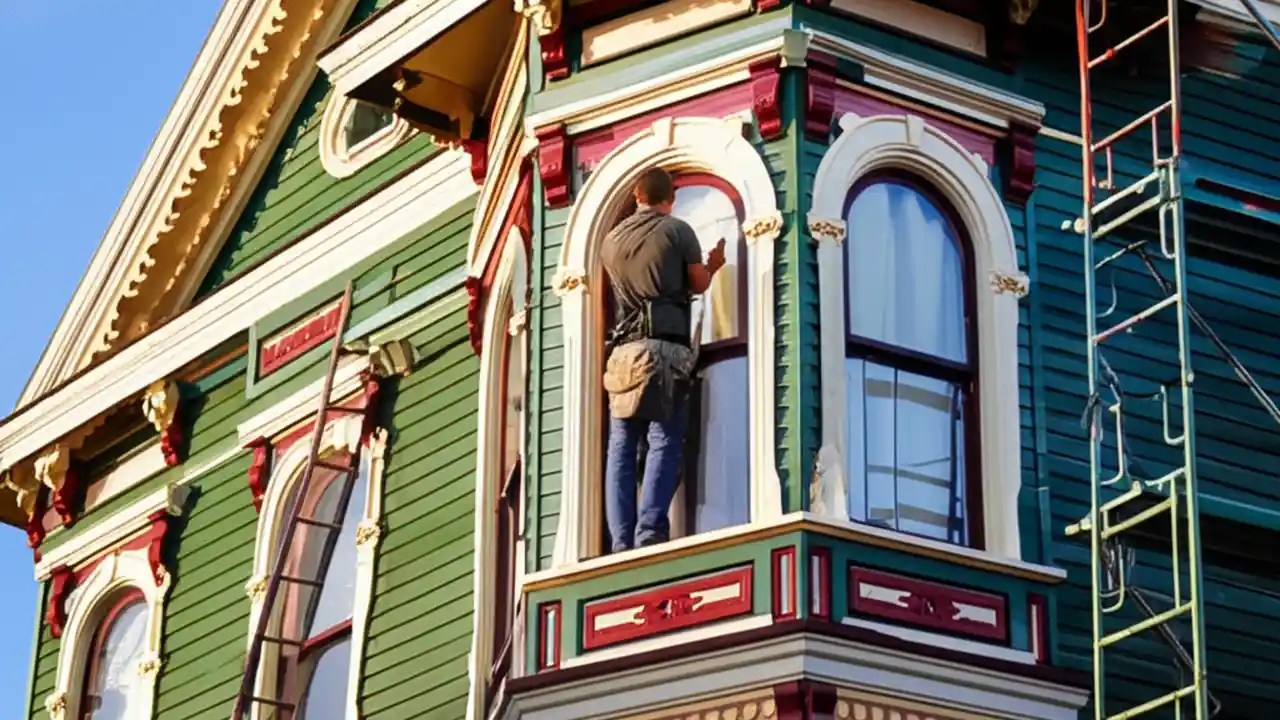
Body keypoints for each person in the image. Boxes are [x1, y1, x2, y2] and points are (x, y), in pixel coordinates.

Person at [600, 166, 726, 553]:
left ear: (637, 196)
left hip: (623, 354)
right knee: (663, 439)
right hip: (664, 350)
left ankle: (621, 541)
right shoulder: (677, 231)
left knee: (621, 446)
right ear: (669, 199)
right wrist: (714, 264)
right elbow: (698, 282)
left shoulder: (610, 242)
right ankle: (650, 530)